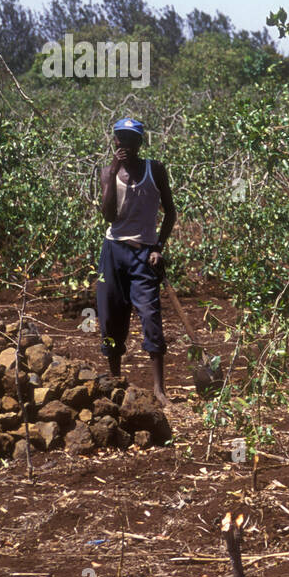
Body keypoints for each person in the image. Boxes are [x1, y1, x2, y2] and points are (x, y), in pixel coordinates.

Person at [97, 117, 176, 404]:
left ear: (140, 143)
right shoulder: (108, 172)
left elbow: (170, 212)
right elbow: (108, 216)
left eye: (131, 139)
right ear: (115, 141)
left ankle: (159, 389)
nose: (125, 144)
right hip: (114, 251)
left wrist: (158, 246)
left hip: (144, 253)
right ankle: (115, 377)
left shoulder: (154, 170)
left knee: (150, 316)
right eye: (121, 138)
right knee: (109, 317)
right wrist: (114, 170)